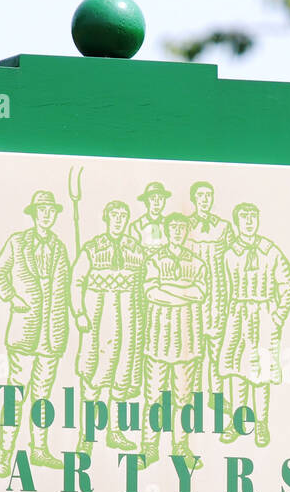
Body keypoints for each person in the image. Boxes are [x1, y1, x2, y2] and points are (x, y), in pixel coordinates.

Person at [0, 190, 72, 475]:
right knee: (15, 396)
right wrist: (12, 298)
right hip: (24, 332)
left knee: (42, 397)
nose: (47, 215)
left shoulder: (60, 247)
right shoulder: (17, 242)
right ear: (34, 214)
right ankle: (4, 453)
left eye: (51, 211)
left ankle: (39, 450)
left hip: (52, 334)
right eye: (42, 210)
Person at [72, 199, 147, 452]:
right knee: (93, 378)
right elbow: (76, 282)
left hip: (128, 323)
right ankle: (87, 435)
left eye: (123, 216)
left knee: (120, 379)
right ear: (106, 218)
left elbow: (144, 286)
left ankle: (114, 431)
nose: (118, 220)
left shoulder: (136, 250)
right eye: (114, 215)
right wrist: (80, 312)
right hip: (98, 322)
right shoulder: (92, 248)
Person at [218, 202, 290, 447]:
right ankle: (239, 422)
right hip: (236, 315)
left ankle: (261, 424)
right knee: (236, 372)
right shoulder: (229, 253)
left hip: (262, 315)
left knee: (260, 374)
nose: (249, 221)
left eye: (253, 216)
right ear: (237, 221)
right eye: (244, 217)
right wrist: (219, 321)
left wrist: (277, 316)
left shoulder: (270, 251)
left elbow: (286, 284)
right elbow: (221, 290)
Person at [139, 213, 208, 469]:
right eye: (173, 227)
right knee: (154, 398)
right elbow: (151, 292)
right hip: (158, 340)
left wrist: (169, 289)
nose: (178, 231)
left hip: (187, 341)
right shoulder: (154, 261)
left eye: (181, 227)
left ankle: (181, 448)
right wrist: (184, 292)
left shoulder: (198, 263)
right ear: (167, 230)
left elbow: (200, 293)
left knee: (183, 399)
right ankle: (149, 448)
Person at [185, 181, 232, 406]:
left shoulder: (223, 227)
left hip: (217, 296)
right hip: (193, 298)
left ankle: (217, 397)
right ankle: (192, 397)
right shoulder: (184, 226)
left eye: (208, 195)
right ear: (193, 199)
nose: (205, 199)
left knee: (216, 350)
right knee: (194, 350)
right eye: (201, 195)